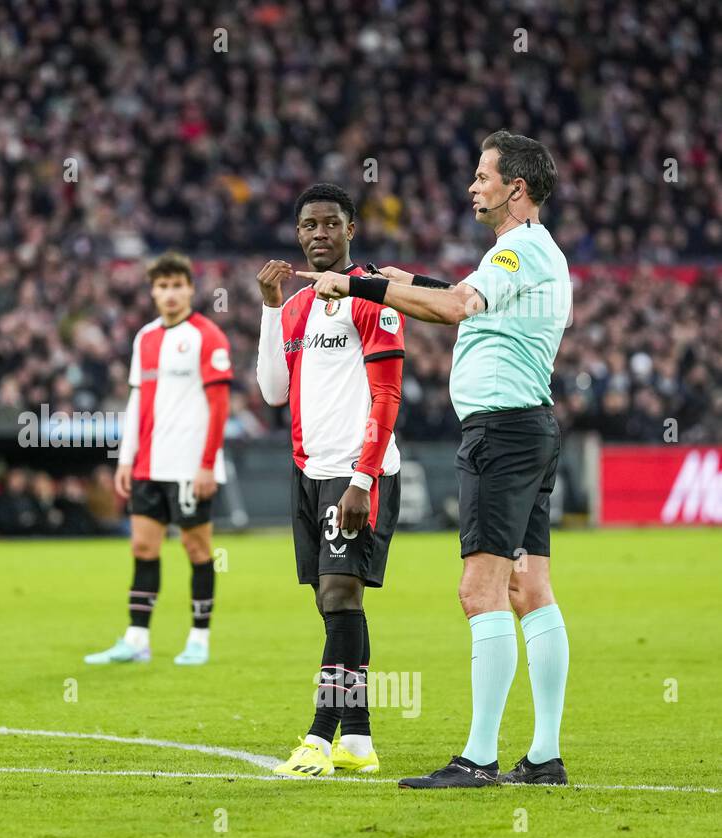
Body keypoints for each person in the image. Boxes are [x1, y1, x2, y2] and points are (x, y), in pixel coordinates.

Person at [300, 131, 573, 788]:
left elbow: (454, 308)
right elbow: (459, 296)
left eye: (483, 176)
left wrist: (358, 289)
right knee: (528, 589)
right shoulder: (530, 252)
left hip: (502, 438)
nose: (472, 186)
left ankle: (478, 760)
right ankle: (543, 755)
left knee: (479, 592)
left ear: (517, 188)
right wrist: (403, 281)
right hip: (531, 429)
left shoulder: (516, 252)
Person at [255, 184, 405, 777]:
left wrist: (363, 480)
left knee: (339, 596)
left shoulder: (373, 298)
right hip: (311, 471)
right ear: (297, 235)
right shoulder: (294, 309)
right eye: (308, 225)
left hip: (357, 473)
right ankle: (360, 741)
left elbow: (388, 393)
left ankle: (319, 738)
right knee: (334, 606)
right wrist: (269, 308)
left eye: (330, 224)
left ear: (351, 230)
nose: (319, 234)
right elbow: (272, 391)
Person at [85, 251, 231, 667]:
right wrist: (125, 459)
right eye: (162, 286)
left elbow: (219, 406)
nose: (169, 293)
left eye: (176, 285)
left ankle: (199, 638)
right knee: (143, 546)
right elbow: (137, 400)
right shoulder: (145, 337)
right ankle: (137, 639)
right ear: (152, 291)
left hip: (189, 465)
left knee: (197, 548)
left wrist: (207, 464)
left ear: (189, 288)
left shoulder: (207, 336)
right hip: (149, 464)